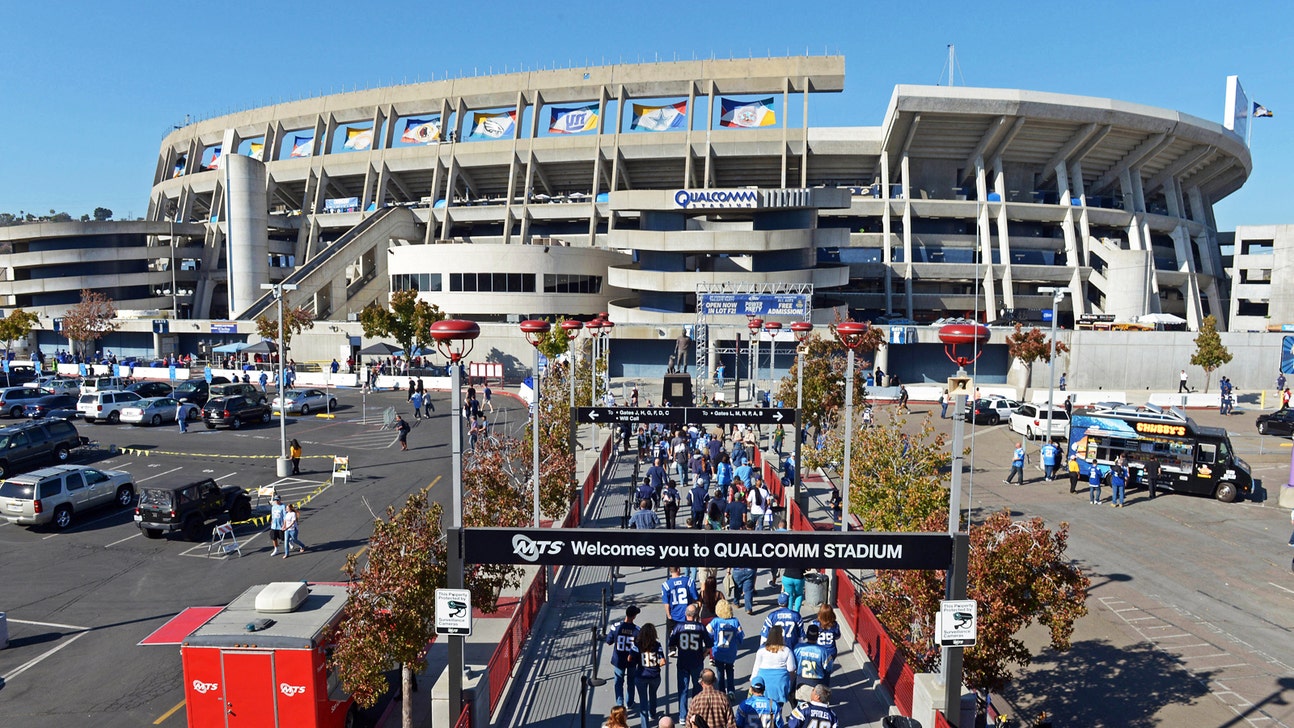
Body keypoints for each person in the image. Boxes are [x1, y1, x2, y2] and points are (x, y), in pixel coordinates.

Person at [669, 604, 712, 723]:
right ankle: (695, 713)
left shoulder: (679, 626)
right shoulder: (700, 627)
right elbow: (709, 645)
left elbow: (671, 642)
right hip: (697, 661)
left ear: (685, 613)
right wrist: (703, 655)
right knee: (697, 687)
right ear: (696, 615)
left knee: (683, 689)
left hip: (683, 661)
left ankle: (682, 715)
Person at [751, 625, 795, 715]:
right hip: (780, 683)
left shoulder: (762, 651)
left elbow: (756, 668)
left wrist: (752, 681)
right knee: (778, 708)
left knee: (765, 707)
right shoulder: (787, 651)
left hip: (764, 682)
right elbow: (791, 668)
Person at [606, 605, 642, 710]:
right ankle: (629, 702)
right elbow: (639, 647)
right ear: (634, 616)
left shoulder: (616, 626)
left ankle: (619, 704)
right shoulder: (637, 630)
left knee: (618, 682)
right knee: (631, 681)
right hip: (631, 661)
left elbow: (608, 641)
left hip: (618, 660)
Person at [706, 599, 743, 695]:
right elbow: (741, 635)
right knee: (730, 670)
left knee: (720, 672)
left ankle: (721, 691)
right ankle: (731, 691)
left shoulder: (715, 621)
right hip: (731, 651)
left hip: (718, 651)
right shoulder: (735, 621)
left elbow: (707, 633)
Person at [633, 623, 667, 728]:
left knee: (643, 700)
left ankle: (645, 725)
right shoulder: (657, 645)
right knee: (653, 694)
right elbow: (663, 661)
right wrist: (657, 664)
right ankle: (653, 712)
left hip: (641, 675)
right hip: (654, 675)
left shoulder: (638, 645)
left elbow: (630, 658)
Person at [661, 567, 698, 638]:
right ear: (678, 569)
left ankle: (673, 648)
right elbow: (695, 597)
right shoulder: (688, 581)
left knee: (672, 640)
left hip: (674, 615)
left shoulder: (666, 585)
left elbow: (666, 603)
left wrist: (669, 615)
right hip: (687, 615)